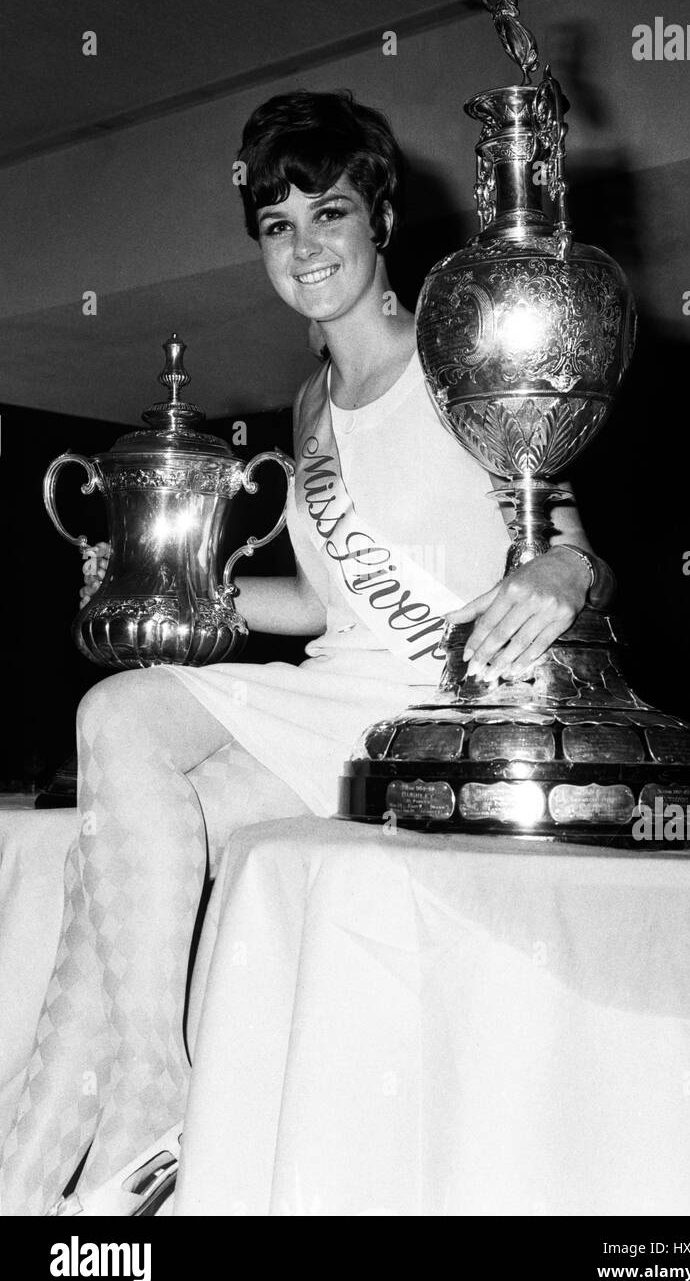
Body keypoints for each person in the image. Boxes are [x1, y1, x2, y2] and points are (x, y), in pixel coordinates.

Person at [0, 89, 614, 1216]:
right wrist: (190, 589)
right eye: (276, 226)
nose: (303, 246)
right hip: (333, 702)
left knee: (119, 716)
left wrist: (555, 572)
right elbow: (324, 608)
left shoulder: (451, 363)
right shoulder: (310, 407)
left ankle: (150, 1091)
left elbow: (572, 550)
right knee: (110, 871)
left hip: (433, 712)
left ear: (379, 219)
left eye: (327, 213)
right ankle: (36, 1191)